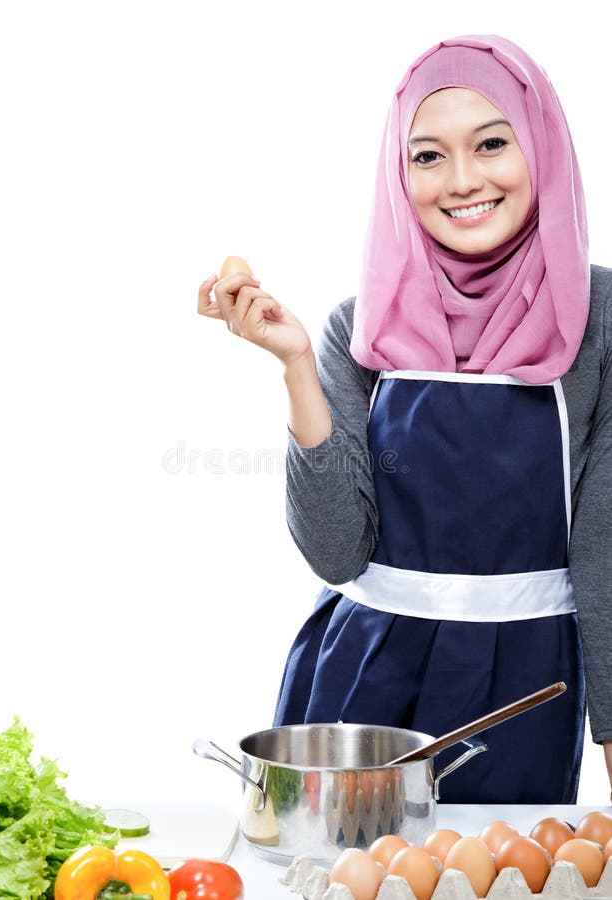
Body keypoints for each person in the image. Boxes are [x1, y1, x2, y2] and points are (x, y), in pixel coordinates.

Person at [197, 35, 612, 804]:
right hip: (359, 683)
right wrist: (294, 366)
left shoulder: (599, 322)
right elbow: (334, 551)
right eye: (426, 156)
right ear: (399, 171)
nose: (461, 181)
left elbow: (605, 553)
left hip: (522, 687)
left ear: (542, 146)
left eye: (491, 144)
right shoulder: (360, 326)